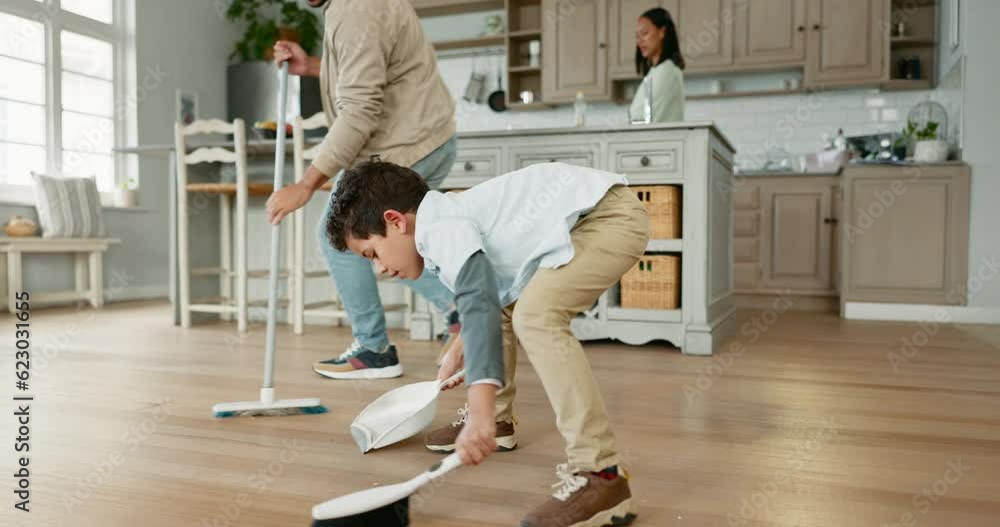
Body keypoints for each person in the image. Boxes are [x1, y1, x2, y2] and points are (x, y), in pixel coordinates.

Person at [326, 160, 648, 526]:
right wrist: (459, 350)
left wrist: (477, 414)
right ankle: (500, 422)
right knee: (504, 313)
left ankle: (599, 474)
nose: (380, 269)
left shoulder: (439, 226)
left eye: (372, 254)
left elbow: (478, 299)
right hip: (591, 220)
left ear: (396, 221)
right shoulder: (441, 223)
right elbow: (485, 302)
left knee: (536, 317)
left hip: (608, 218)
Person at [268, 0, 459, 379]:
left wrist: (307, 184)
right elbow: (372, 67)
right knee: (398, 241)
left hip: (403, 145)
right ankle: (466, 310)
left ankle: (375, 349)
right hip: (427, 139)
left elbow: (360, 109)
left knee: (337, 232)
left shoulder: (355, 9)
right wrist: (312, 67)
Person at [630, 7, 686, 123]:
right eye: (637, 36)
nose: (639, 41)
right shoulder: (655, 72)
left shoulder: (667, 71)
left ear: (662, 32)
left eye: (644, 33)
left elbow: (641, 118)